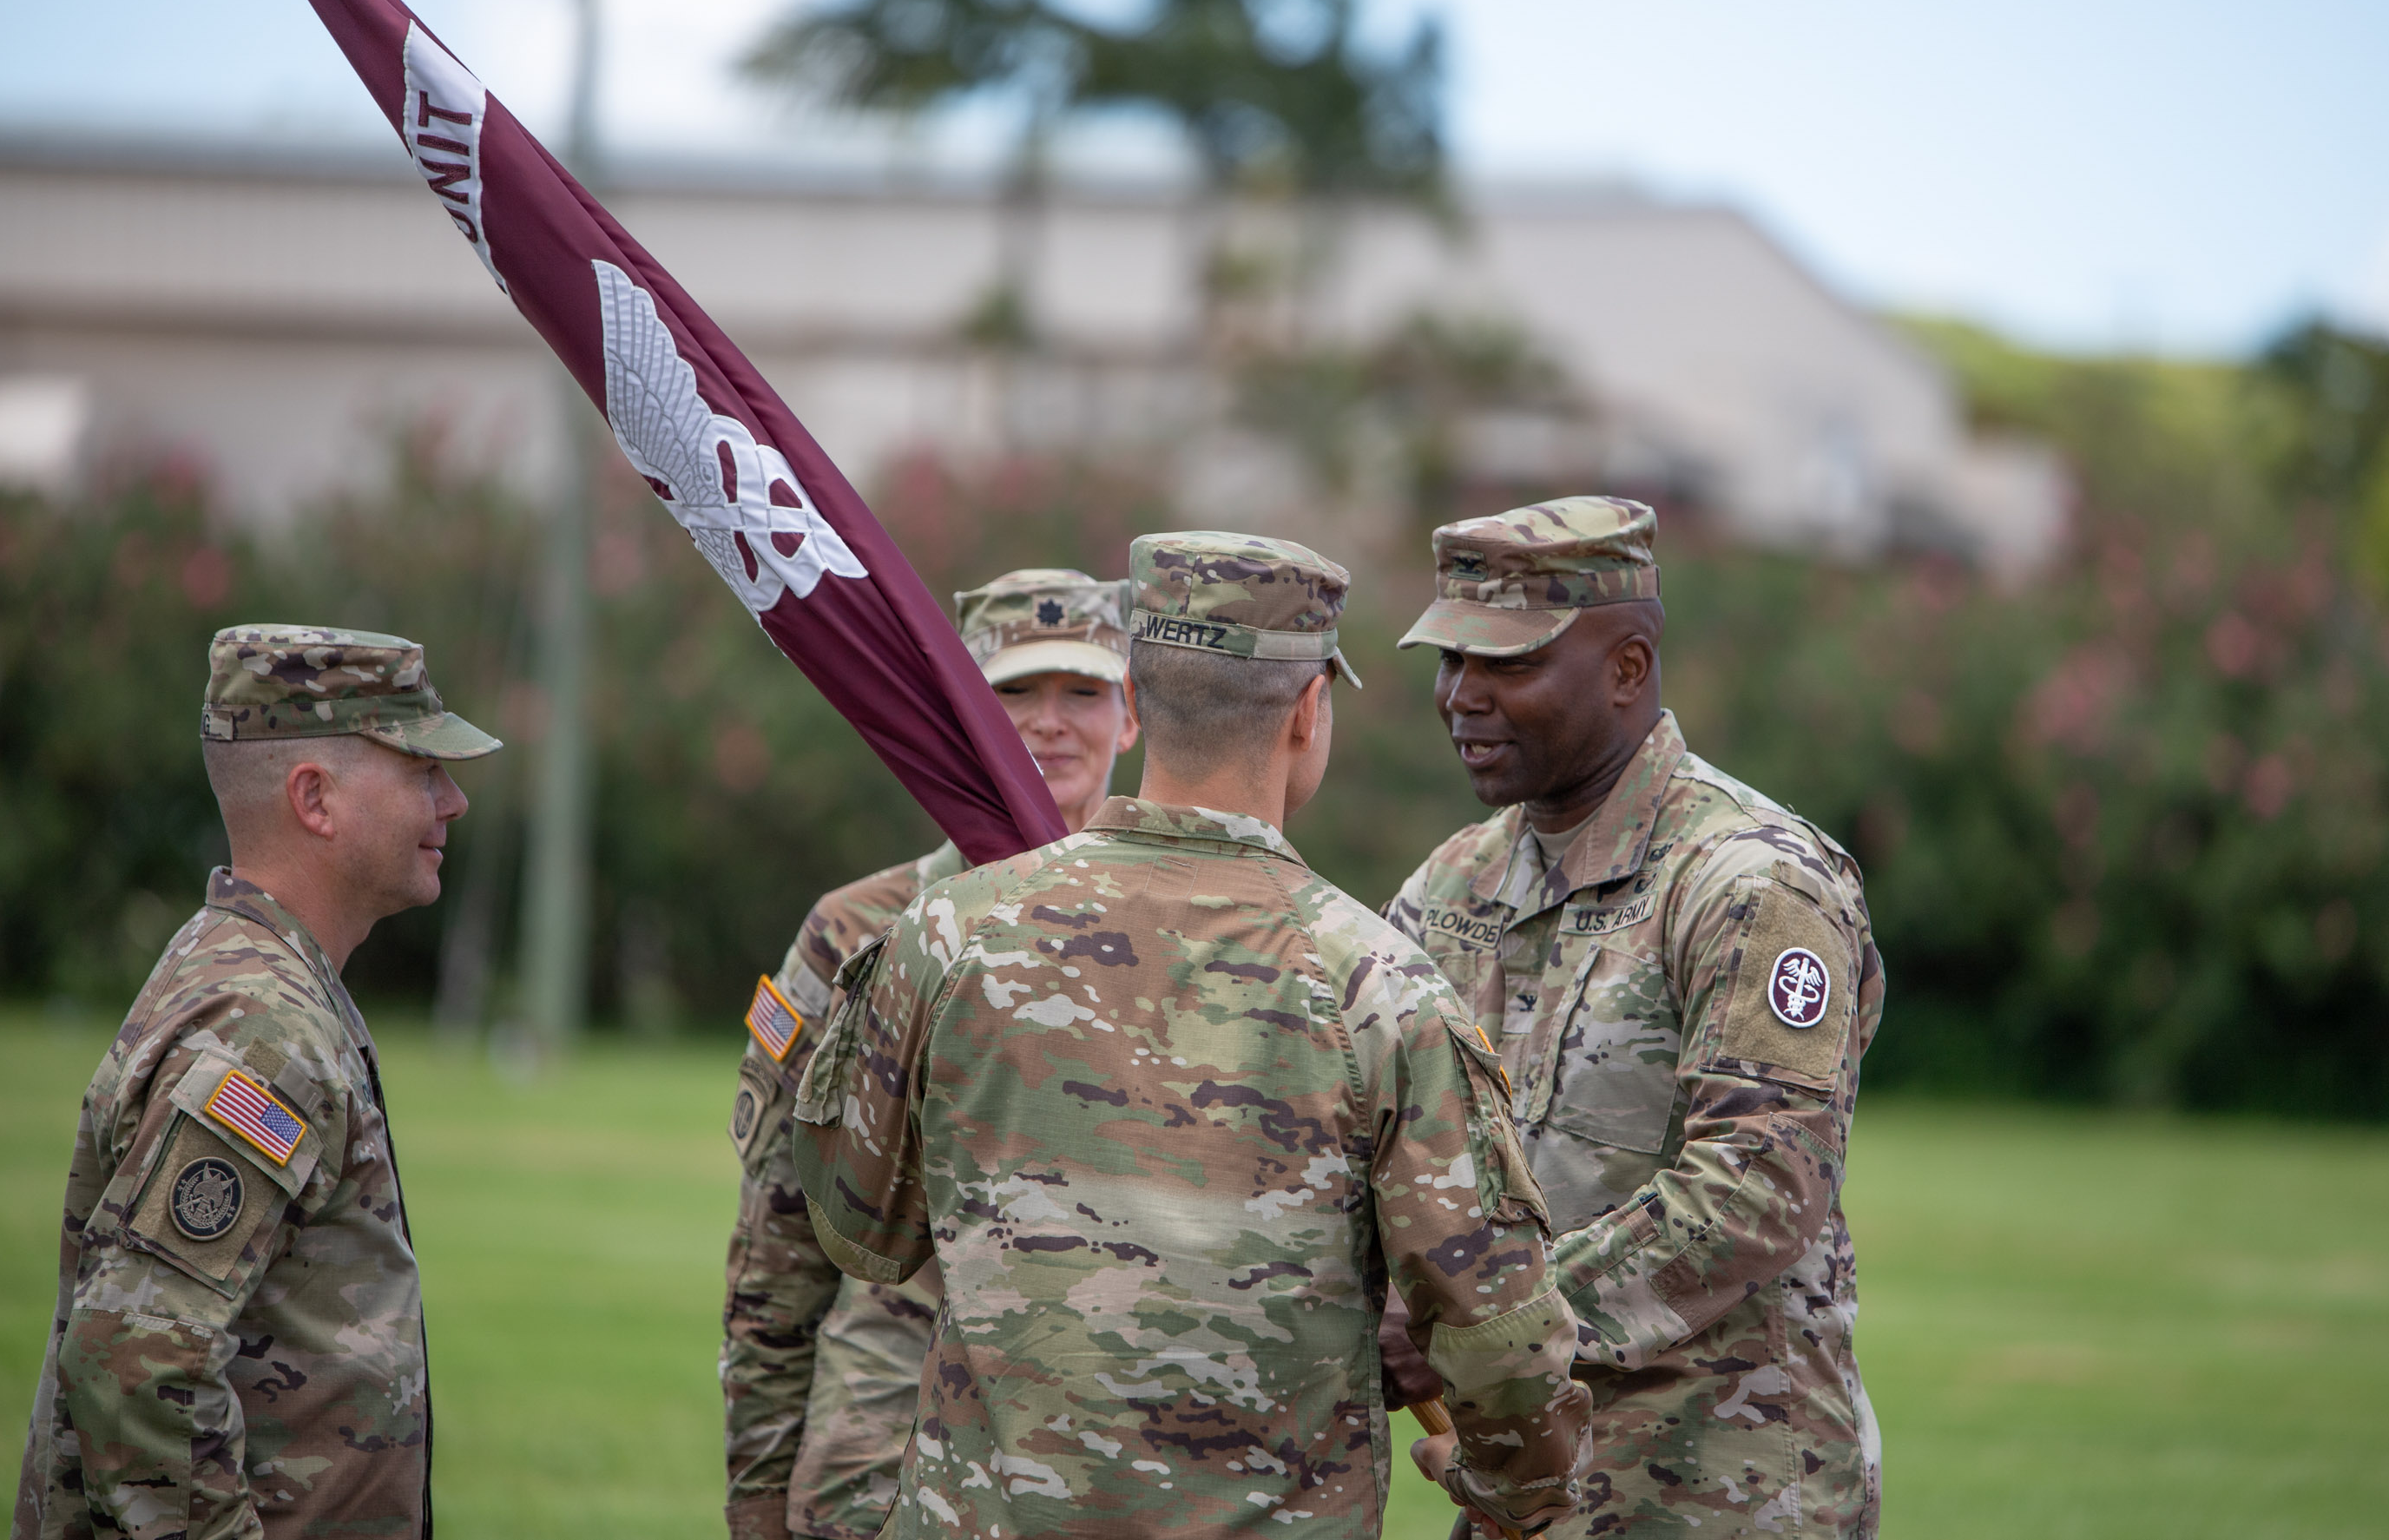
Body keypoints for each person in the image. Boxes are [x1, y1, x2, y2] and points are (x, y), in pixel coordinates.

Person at [786, 531, 1592, 1538]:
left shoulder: (950, 933)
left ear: (1136, 697)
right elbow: (1501, 1335)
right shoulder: (1383, 987)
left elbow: (858, 1226)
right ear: (1308, 711)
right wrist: (1514, 1486)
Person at [1381, 497, 1886, 1538]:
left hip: (1718, 1494)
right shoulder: (1447, 890)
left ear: (1628, 665)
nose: (1462, 697)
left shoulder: (1751, 882)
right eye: (1450, 663)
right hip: (1520, 1497)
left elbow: (1757, 1188)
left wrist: (1483, 1327)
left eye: (1508, 665)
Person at [15, 624, 501, 1540]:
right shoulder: (262, 1024)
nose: (455, 799)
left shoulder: (254, 974)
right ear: (315, 798)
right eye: (420, 770)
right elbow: (135, 1362)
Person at [722, 569, 1144, 1540]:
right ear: (956, 713)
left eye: (1082, 692)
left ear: (1130, 720)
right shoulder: (858, 932)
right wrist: (756, 1491)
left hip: (1109, 1451)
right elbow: (779, 1241)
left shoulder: (1179, 933)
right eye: (1011, 694)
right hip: (890, 1443)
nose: (1047, 724)